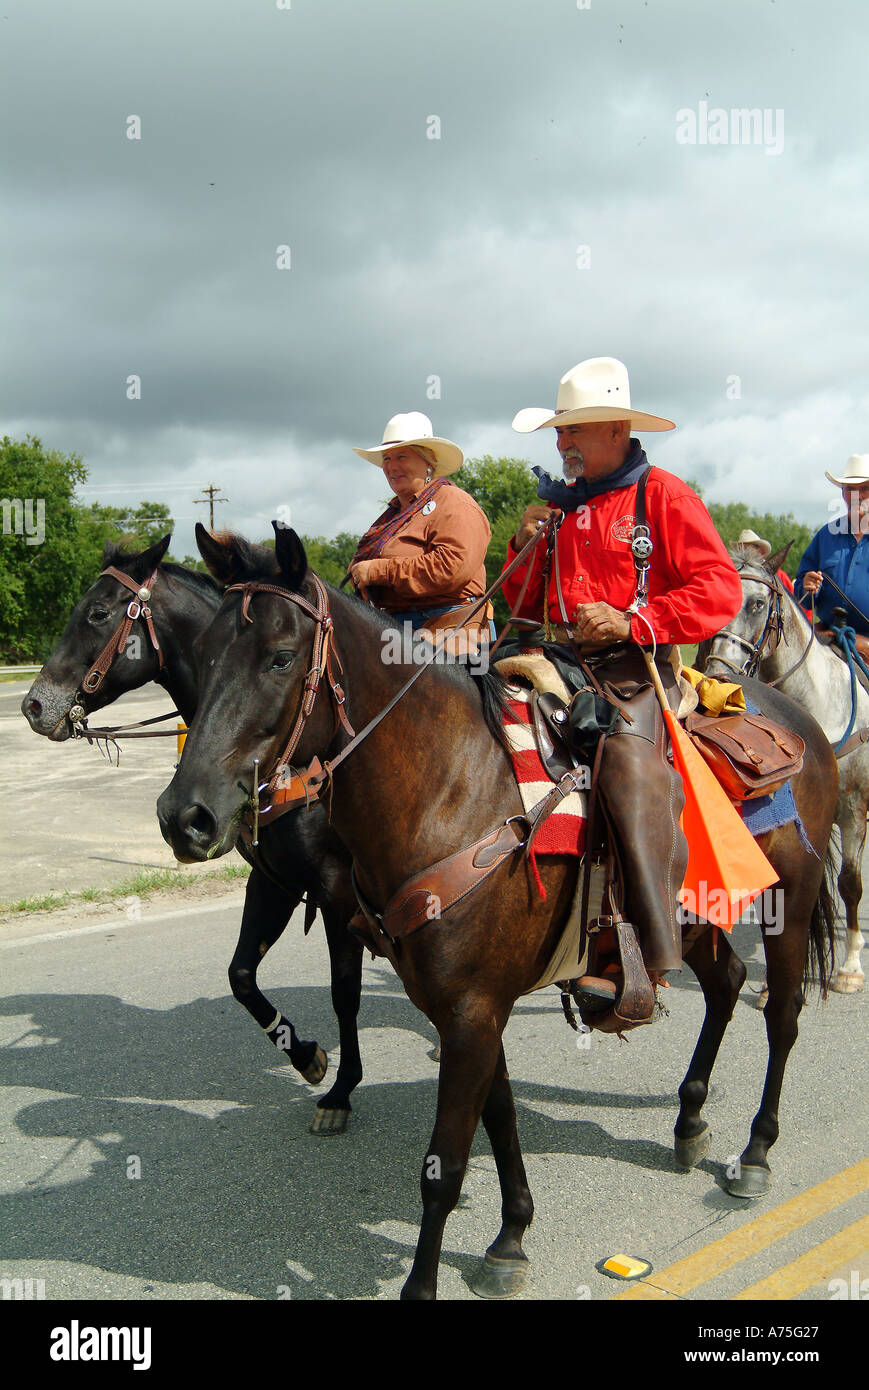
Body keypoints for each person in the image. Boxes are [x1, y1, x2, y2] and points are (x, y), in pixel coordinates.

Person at [502, 356, 743, 1014]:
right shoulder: (557, 508)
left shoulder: (663, 496)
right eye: (557, 434)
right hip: (557, 659)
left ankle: (638, 951)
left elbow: (718, 590)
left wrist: (635, 617)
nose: (561, 445)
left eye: (571, 431)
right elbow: (522, 604)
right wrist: (522, 550)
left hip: (639, 670)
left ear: (613, 428)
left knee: (629, 771)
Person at [348, 412, 493, 647]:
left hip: (453, 632)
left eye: (401, 456)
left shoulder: (455, 503)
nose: (391, 466)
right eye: (386, 458)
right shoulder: (392, 517)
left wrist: (378, 571)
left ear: (428, 460)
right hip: (395, 629)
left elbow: (452, 567)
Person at [795, 454, 869, 641]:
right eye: (850, 489)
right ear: (843, 494)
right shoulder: (825, 536)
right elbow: (800, 590)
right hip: (828, 637)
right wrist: (807, 587)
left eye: (865, 489)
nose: (857, 496)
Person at [737, 529, 794, 593]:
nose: (743, 552)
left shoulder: (779, 576)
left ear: (759, 550)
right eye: (740, 548)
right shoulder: (736, 572)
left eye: (746, 548)